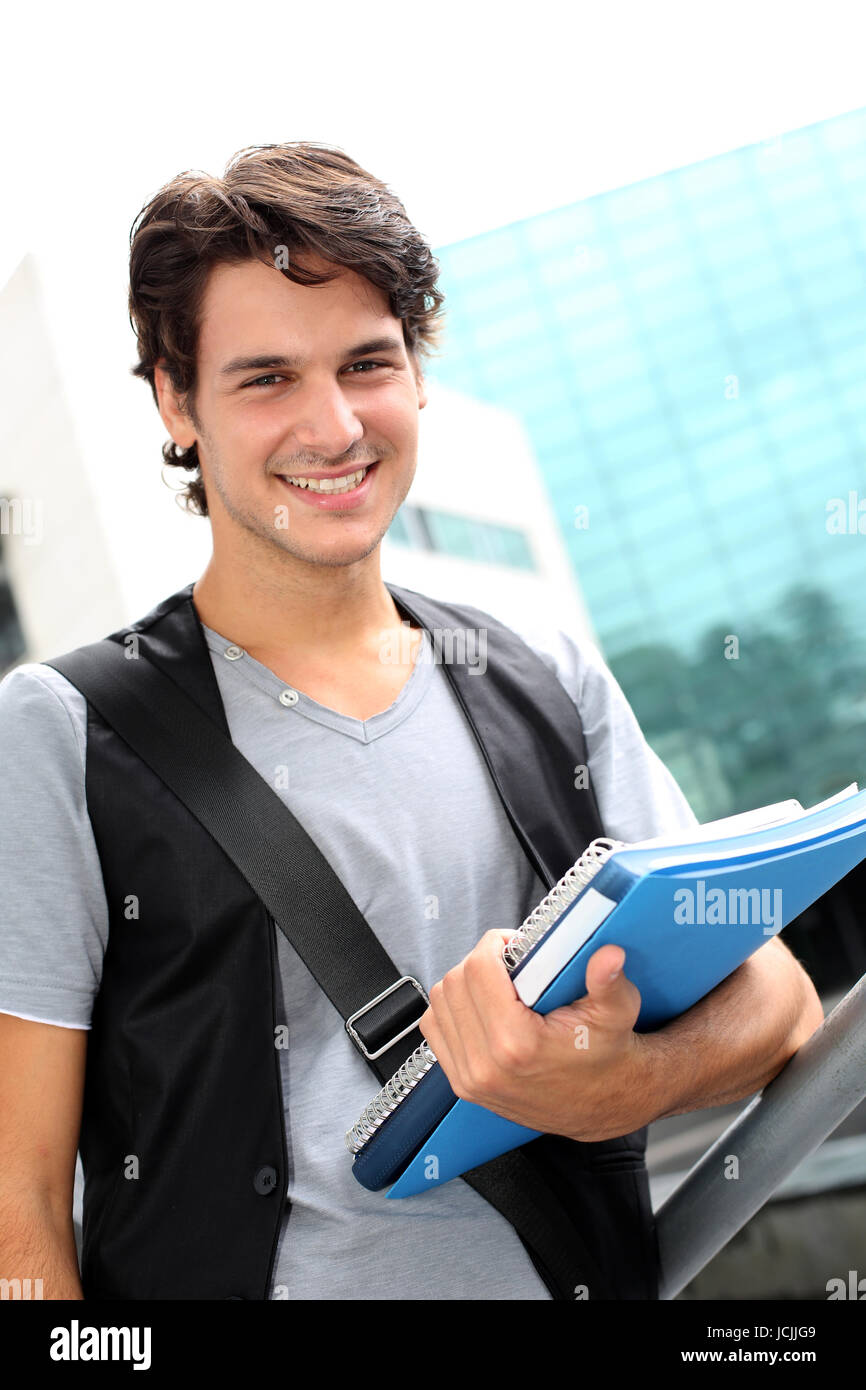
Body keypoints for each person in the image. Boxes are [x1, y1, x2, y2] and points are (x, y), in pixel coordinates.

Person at [0, 142, 824, 1301]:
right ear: (176, 404)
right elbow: (15, 1211)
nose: (333, 426)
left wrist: (615, 1084)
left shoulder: (544, 680)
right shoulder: (64, 729)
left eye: (366, 362)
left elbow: (779, 1000)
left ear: (418, 371)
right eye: (266, 378)